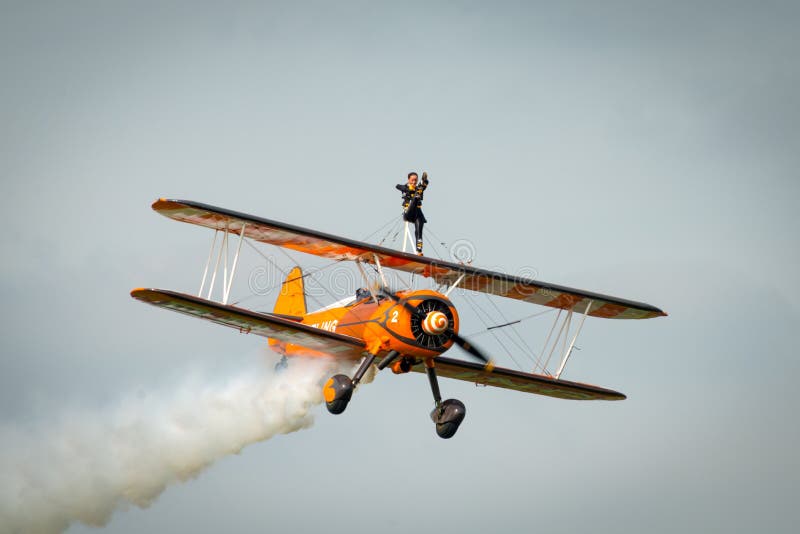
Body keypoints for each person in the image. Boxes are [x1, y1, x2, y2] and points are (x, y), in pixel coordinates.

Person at [396, 171, 429, 254]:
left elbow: (426, 184)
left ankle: (419, 251)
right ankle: (416, 195)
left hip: (417, 213)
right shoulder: (404, 187)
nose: (414, 182)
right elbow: (397, 186)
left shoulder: (418, 188)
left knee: (419, 230)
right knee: (416, 197)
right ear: (408, 180)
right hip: (408, 213)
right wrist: (408, 188)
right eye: (412, 180)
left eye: (416, 180)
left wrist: (424, 183)